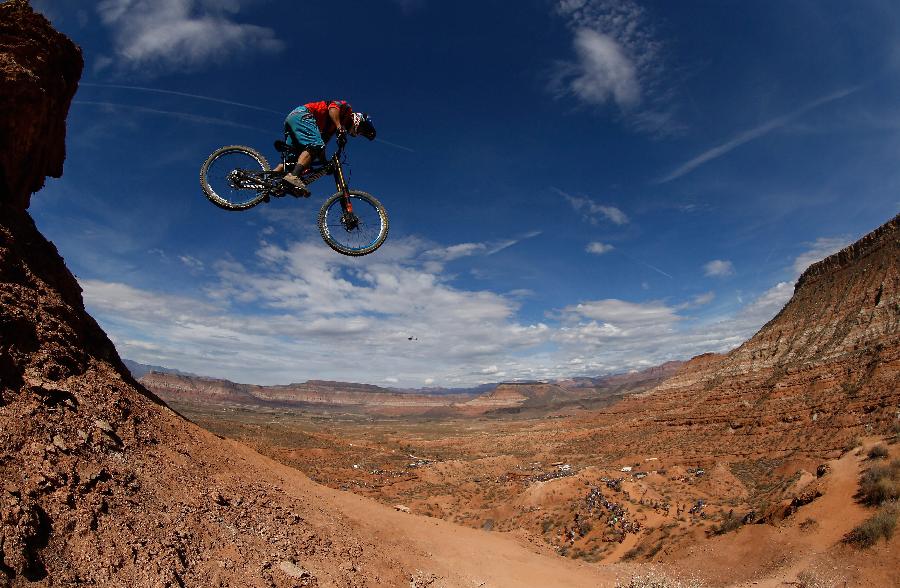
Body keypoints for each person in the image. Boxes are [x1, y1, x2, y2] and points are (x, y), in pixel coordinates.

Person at [275, 100, 376, 196]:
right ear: (359, 119)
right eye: (362, 129)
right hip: (303, 114)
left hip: (294, 119)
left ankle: (266, 182)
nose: (359, 133)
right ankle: (293, 177)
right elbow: (333, 108)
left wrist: (325, 163)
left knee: (292, 162)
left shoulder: (330, 130)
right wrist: (338, 127)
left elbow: (321, 146)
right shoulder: (346, 109)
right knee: (314, 145)